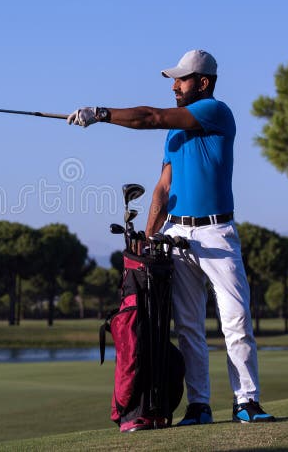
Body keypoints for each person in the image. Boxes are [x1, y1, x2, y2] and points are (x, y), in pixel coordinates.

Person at [67, 49, 275, 425]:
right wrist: (149, 237)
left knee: (235, 321)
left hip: (216, 233)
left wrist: (101, 114)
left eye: (182, 79)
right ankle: (199, 405)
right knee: (190, 327)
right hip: (175, 234)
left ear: (204, 82)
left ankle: (247, 401)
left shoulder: (215, 111)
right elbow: (163, 188)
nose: (175, 86)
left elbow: (151, 116)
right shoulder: (174, 134)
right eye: (174, 80)